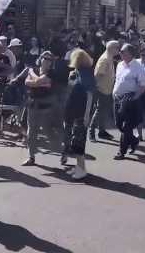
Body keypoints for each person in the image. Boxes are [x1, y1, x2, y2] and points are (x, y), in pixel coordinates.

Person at [22, 51, 64, 166]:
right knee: (31, 131)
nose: (46, 61)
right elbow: (27, 82)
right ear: (40, 59)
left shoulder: (52, 73)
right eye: (44, 58)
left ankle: (63, 152)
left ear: (51, 63)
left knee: (48, 132)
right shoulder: (36, 70)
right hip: (32, 104)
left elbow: (37, 82)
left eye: (49, 59)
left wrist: (31, 73)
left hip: (46, 106)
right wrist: (35, 82)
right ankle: (31, 157)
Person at [112, 44, 145, 160]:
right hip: (118, 98)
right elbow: (117, 81)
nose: (120, 53)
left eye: (123, 51)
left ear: (130, 53)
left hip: (130, 100)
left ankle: (121, 152)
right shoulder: (119, 65)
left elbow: (143, 84)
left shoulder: (137, 67)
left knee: (126, 127)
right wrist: (114, 93)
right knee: (119, 124)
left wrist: (135, 97)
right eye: (120, 51)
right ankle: (134, 140)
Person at [63, 49, 94, 179]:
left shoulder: (86, 74)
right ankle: (78, 167)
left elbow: (90, 95)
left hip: (80, 113)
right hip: (71, 112)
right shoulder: (75, 73)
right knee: (72, 140)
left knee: (78, 142)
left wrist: (87, 115)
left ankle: (82, 169)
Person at [90, 40, 119, 142]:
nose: (118, 50)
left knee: (103, 111)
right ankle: (91, 132)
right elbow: (97, 75)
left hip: (107, 89)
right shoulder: (105, 59)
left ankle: (101, 131)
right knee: (99, 111)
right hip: (102, 89)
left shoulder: (109, 58)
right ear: (111, 48)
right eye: (117, 47)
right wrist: (98, 88)